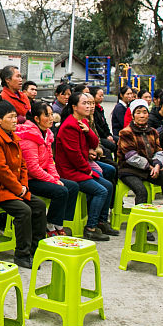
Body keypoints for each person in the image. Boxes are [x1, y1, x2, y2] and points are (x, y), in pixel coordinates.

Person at [0, 101, 45, 268]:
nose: (15, 120)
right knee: (24, 211)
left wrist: (23, 187)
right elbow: (0, 171)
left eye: (16, 116)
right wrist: (18, 189)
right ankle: (22, 254)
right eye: (11, 117)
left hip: (13, 187)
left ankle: (37, 250)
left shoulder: (12, 136)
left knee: (39, 205)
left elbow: (22, 165)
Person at [52, 91, 118, 241]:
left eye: (89, 103)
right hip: (70, 171)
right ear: (75, 107)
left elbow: (94, 144)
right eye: (85, 103)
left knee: (108, 185)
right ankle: (90, 227)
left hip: (80, 168)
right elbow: (74, 157)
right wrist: (89, 171)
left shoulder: (83, 122)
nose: (88, 106)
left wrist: (88, 132)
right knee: (101, 190)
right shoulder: (69, 125)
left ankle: (101, 221)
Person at [17, 101, 81, 238]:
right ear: (36, 119)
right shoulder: (29, 136)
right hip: (28, 179)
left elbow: (50, 162)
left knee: (73, 186)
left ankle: (59, 221)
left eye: (52, 114)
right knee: (61, 191)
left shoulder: (47, 134)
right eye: (47, 115)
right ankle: (50, 224)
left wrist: (56, 178)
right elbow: (32, 168)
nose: (51, 118)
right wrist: (52, 180)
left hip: (42, 176)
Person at [116, 99, 163, 206]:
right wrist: (150, 167)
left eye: (144, 112)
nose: (142, 116)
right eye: (138, 113)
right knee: (142, 191)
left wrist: (157, 165)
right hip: (130, 170)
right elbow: (131, 157)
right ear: (133, 116)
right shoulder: (125, 132)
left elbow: (159, 151)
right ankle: (139, 220)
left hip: (149, 170)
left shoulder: (153, 132)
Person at [91, 86, 117, 158]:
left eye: (103, 96)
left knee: (119, 140)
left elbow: (105, 124)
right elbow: (97, 126)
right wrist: (106, 136)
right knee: (110, 146)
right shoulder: (92, 110)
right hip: (99, 136)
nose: (102, 98)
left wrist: (109, 135)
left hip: (105, 135)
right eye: (100, 96)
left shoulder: (100, 109)